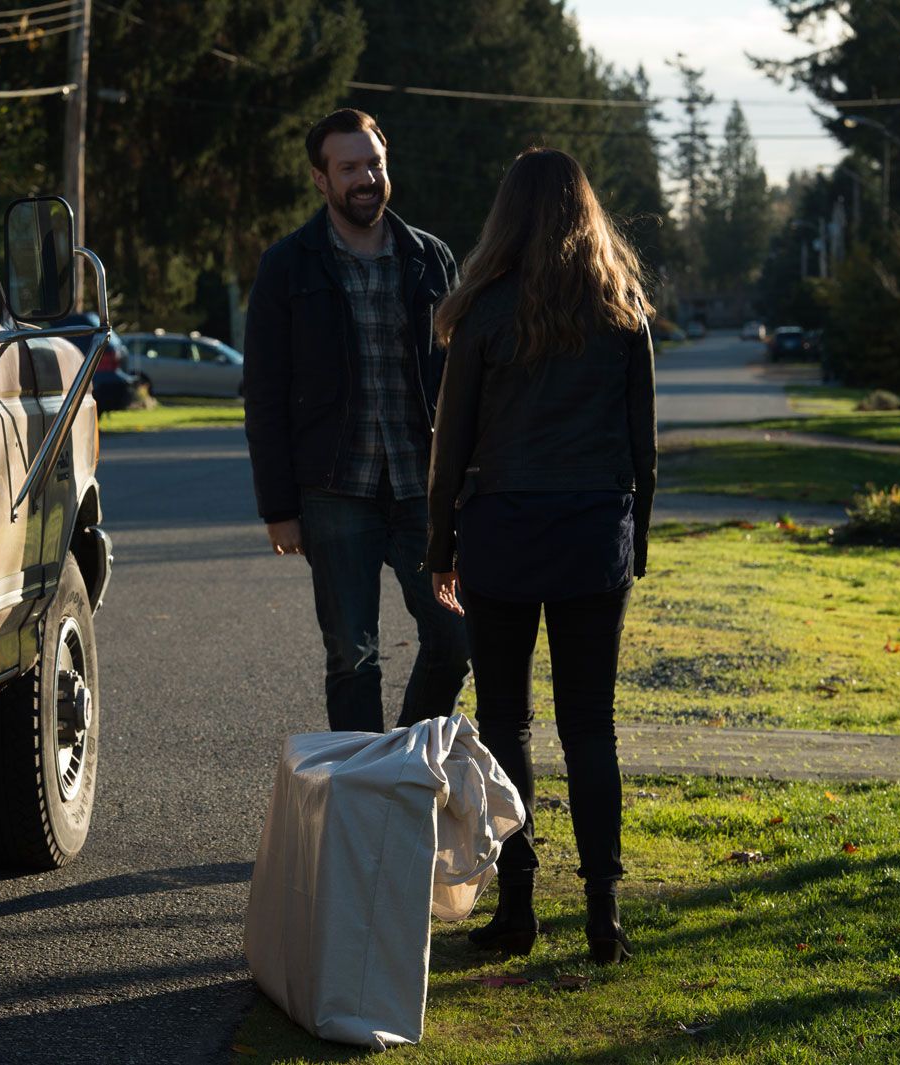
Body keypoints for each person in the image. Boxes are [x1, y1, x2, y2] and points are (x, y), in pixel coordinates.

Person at [425, 147, 657, 965]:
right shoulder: (622, 307)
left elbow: (449, 448)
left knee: (506, 722)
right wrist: (638, 540)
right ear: (585, 211)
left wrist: (439, 545)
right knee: (592, 725)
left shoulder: (483, 311)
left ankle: (518, 907)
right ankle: (605, 913)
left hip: (503, 533)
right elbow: (643, 446)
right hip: (595, 533)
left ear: (508, 217)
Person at [243, 108, 470, 734]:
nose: (365, 178)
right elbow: (263, 394)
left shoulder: (431, 260)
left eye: (374, 163)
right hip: (334, 492)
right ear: (321, 180)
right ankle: (359, 799)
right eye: (349, 168)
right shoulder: (287, 266)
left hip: (422, 492)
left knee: (455, 639)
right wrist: (277, 507)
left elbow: (459, 382)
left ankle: (397, 759)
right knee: (352, 656)